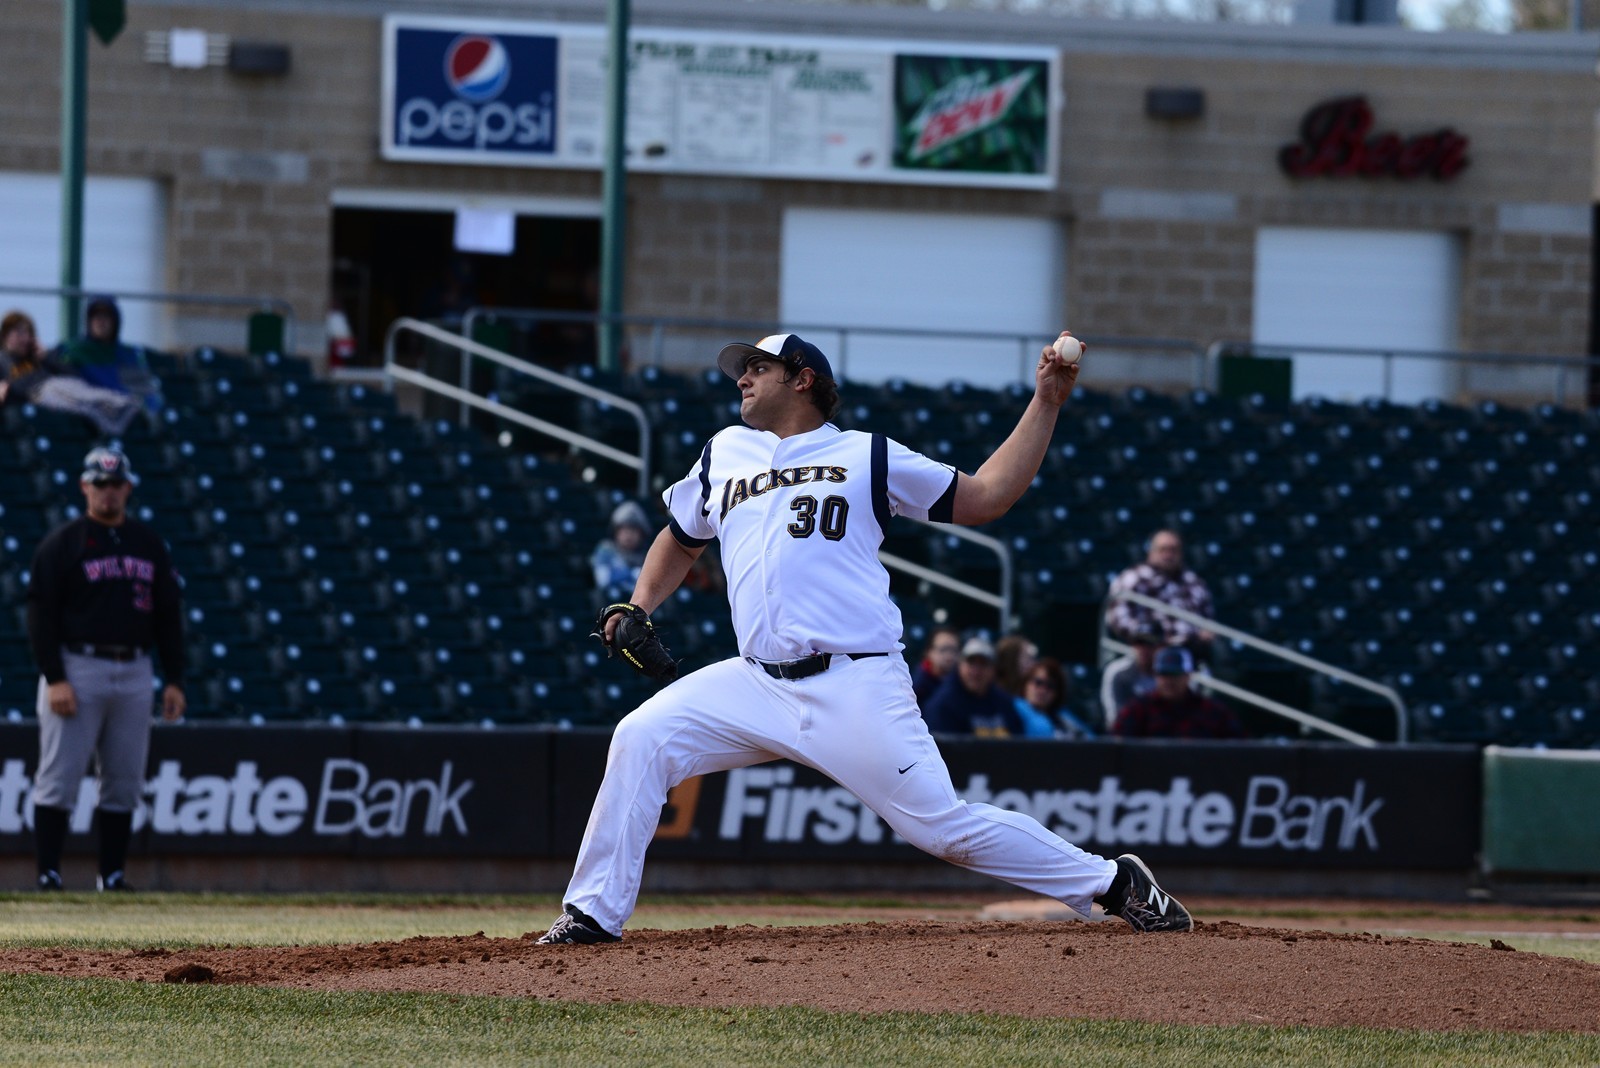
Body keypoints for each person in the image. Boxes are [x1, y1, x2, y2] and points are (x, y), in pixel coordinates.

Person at [534, 329, 1191, 945]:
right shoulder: (724, 453)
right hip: (756, 679)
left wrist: (1045, 401)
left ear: (804, 379)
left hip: (852, 682)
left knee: (941, 829)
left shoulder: (864, 454)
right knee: (641, 737)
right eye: (742, 370)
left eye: (758, 368)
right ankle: (593, 913)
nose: (742, 379)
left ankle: (1112, 882)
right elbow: (680, 539)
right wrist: (640, 604)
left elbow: (986, 497)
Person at [26, 447, 186, 891]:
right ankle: (48, 874)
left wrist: (174, 678)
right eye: (100, 483)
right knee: (60, 776)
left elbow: (168, 615)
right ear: (84, 486)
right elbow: (40, 616)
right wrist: (55, 675)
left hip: (134, 668)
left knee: (124, 778)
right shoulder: (62, 544)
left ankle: (111, 875)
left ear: (128, 488)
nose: (108, 492)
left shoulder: (148, 544)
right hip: (78, 665)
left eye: (115, 484)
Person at [1, 310, 143, 436]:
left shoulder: (41, 357)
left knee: (86, 395)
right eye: (17, 332)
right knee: (84, 409)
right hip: (39, 395)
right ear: (6, 335)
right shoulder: (3, 360)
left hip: (57, 385)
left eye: (26, 332)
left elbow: (73, 375)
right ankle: (114, 421)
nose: (23, 338)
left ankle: (124, 404)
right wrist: (9, 389)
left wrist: (45, 357)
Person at [1104, 529, 1215, 661]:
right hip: (1147, 653)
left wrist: (1203, 635)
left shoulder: (1194, 582)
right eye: (1163, 549)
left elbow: (1208, 622)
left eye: (1173, 550)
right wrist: (1149, 637)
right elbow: (1117, 619)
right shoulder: (1132, 578)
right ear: (1150, 551)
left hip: (1189, 652)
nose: (1168, 555)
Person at [55, 296, 163, 415]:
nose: (101, 321)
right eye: (96, 316)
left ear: (116, 321)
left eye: (106, 316)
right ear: (88, 320)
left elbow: (147, 394)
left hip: (128, 417)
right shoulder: (72, 351)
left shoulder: (129, 354)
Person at [1110, 646, 1246, 740]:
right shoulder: (1139, 709)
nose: (1169, 681)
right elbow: (1116, 745)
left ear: (1188, 676)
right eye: (1164, 674)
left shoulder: (1212, 711)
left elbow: (1239, 747)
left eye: (1175, 674)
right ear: (1156, 676)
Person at [920, 635, 1024, 737]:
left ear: (993, 669)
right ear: (960, 664)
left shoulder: (1004, 703)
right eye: (971, 662)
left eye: (983, 664)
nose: (976, 671)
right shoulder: (942, 705)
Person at [1099, 622, 1162, 729]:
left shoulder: (1171, 674)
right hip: (1127, 738)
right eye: (1139, 643)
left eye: (1150, 644)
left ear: (1161, 646)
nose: (1143, 649)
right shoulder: (1117, 672)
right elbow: (1114, 717)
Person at [1016, 656, 1097, 739]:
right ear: (1026, 683)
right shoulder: (1013, 709)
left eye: (1050, 686)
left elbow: (1090, 740)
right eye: (1038, 683)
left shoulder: (1063, 716)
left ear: (1057, 693)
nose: (1043, 690)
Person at [590, 500, 653, 592]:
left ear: (642, 533)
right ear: (615, 531)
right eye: (624, 529)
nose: (628, 535)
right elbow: (603, 579)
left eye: (633, 530)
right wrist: (631, 574)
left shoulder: (649, 554)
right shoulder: (605, 550)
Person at [911, 626, 961, 708]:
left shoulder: (962, 681)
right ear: (929, 652)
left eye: (953, 650)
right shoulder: (915, 687)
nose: (949, 656)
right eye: (943, 649)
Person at [993, 633, 1038, 700]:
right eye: (1028, 658)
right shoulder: (993, 696)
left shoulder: (1031, 695)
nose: (1034, 664)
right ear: (1012, 661)